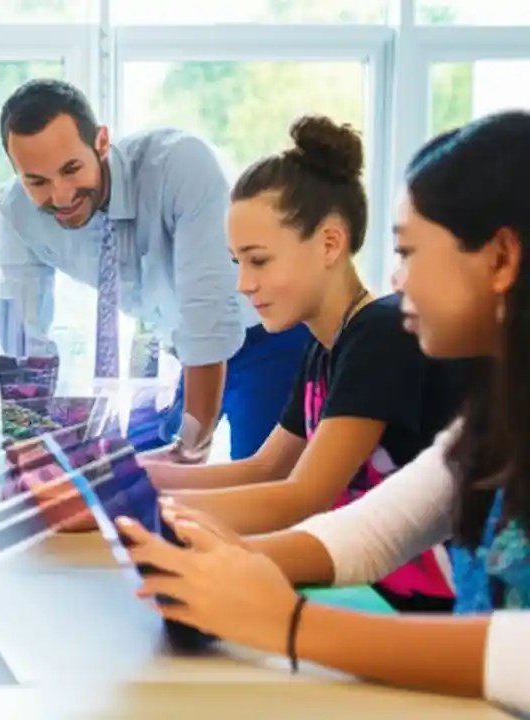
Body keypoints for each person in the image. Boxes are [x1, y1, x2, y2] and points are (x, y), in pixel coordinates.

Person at [115, 111, 530, 715]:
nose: (397, 275)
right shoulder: (491, 418)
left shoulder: (380, 332)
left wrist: (289, 623)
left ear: (500, 259)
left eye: (410, 251)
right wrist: (200, 560)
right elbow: (375, 530)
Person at [137, 116, 466, 612]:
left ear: (330, 243)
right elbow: (265, 467)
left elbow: (302, 495)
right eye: (237, 263)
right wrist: (134, 478)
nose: (243, 284)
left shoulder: (379, 334)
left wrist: (139, 512)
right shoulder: (321, 347)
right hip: (374, 586)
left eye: (259, 261)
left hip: (428, 606)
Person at [0, 79, 310, 462]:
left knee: (258, 482)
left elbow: (206, 319)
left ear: (101, 142)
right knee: (137, 468)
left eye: (72, 169)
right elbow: (27, 342)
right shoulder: (17, 213)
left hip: (269, 334)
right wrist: (30, 443)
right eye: (37, 181)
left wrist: (188, 455)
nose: (60, 196)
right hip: (184, 348)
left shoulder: (179, 166)